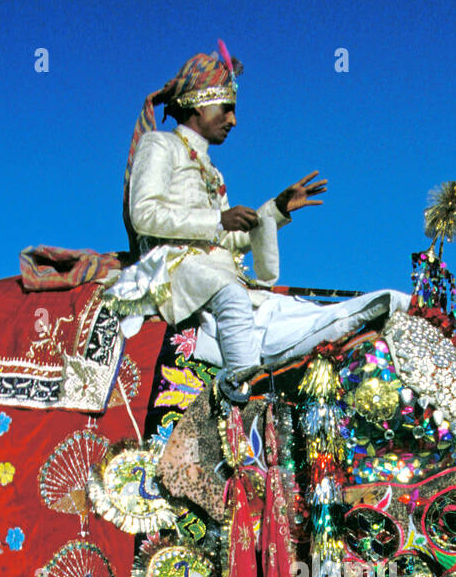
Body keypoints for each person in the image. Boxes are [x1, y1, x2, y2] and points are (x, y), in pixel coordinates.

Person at [104, 42, 409, 400]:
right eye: (227, 108)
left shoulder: (213, 171)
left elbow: (229, 241)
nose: (233, 120)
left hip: (218, 270)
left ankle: (377, 306)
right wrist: (218, 218)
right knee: (232, 295)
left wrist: (275, 212)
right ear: (198, 104)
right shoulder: (159, 145)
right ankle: (240, 388)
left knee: (288, 311)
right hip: (171, 267)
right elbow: (144, 215)